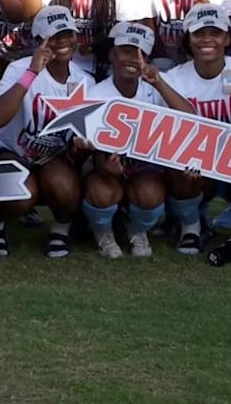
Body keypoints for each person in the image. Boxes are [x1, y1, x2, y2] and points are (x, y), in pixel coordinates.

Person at [0, 7, 95, 258]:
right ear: (37, 41)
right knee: (22, 194)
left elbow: (79, 142)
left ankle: (61, 228)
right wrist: (32, 72)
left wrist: (80, 149)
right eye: (54, 36)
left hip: (51, 156)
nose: (63, 41)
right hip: (10, 150)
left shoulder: (84, 80)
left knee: (64, 187)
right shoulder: (19, 68)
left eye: (67, 34)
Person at [162, 3, 231, 254]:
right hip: (197, 159)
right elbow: (168, 139)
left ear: (227, 39)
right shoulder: (174, 78)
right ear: (189, 39)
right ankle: (191, 226)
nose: (207, 39)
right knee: (177, 167)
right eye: (199, 33)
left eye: (215, 32)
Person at [82, 21, 196, 258]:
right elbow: (90, 149)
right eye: (126, 51)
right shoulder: (95, 94)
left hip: (144, 169)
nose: (134, 59)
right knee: (100, 191)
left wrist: (159, 83)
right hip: (106, 167)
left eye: (140, 53)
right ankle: (103, 231)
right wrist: (105, 168)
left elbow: (191, 119)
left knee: (150, 194)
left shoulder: (154, 87)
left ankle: (137, 230)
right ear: (112, 54)